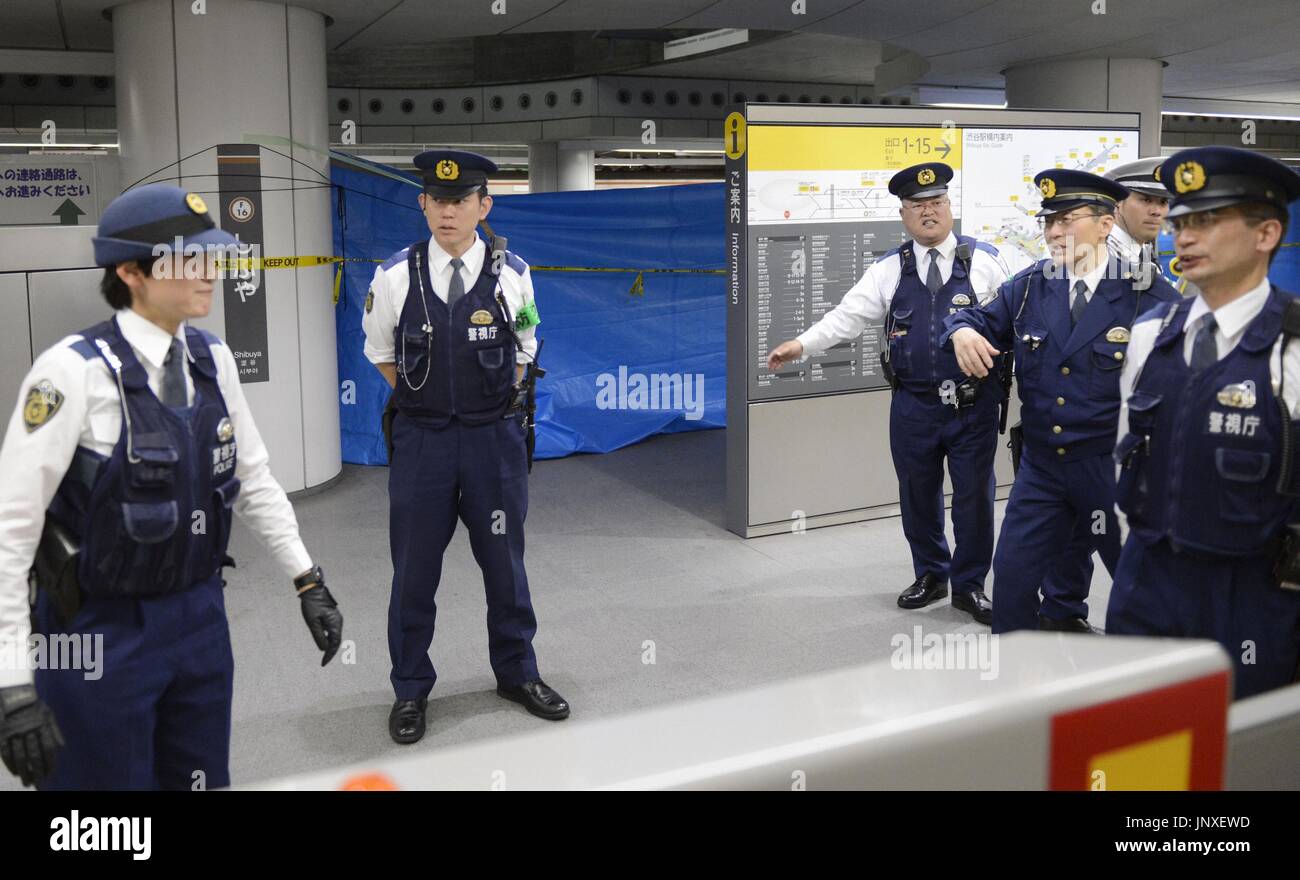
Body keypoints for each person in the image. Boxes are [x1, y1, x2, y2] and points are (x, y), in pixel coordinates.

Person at [0, 183, 343, 789]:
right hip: (97, 631)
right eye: (190, 258)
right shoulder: (71, 372)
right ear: (131, 271)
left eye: (212, 256)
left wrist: (306, 577)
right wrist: (13, 683)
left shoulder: (213, 359)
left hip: (199, 618)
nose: (210, 272)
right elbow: (12, 530)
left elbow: (251, 477)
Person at [362, 149, 567, 744]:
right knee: (414, 573)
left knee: (505, 567)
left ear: (484, 205)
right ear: (423, 203)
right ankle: (409, 689)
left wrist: (483, 409)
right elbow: (380, 352)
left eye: (460, 201)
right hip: (423, 446)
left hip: (491, 446)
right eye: (437, 200)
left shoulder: (513, 274)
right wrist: (428, 404)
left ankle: (517, 673)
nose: (447, 212)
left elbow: (527, 347)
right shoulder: (395, 275)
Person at [767, 162, 1008, 624]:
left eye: (936, 202)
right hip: (913, 405)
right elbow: (846, 318)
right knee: (918, 494)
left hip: (972, 404)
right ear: (903, 215)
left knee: (974, 497)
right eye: (918, 206)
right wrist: (801, 345)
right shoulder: (887, 271)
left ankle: (970, 586)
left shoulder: (987, 261)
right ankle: (931, 574)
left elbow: (1017, 316)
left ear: (949, 207)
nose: (928, 212)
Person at [944, 169, 1180, 634]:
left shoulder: (1144, 293)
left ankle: (1150, 692)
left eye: (1067, 220)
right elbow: (972, 317)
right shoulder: (1033, 285)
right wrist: (963, 330)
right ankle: (1019, 688)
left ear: (1105, 225)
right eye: (1048, 222)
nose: (1054, 232)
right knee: (1011, 581)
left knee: (1140, 592)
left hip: (1111, 468)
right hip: (1042, 468)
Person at [1109, 145, 1300, 698]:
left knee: (1237, 750)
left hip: (1249, 594)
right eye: (1182, 221)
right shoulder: (1151, 334)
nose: (1184, 237)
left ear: (1265, 235)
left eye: (1208, 221)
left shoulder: (1292, 348)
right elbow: (1128, 447)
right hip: (1147, 579)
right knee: (1137, 732)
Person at [1039, 157, 1180, 632]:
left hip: (1117, 438)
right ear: (1113, 209)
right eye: (1145, 200)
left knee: (1098, 535)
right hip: (1083, 436)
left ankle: (1070, 615)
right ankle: (1069, 616)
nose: (1158, 212)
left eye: (1164, 202)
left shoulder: (1146, 261)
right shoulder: (1090, 262)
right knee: (1102, 540)